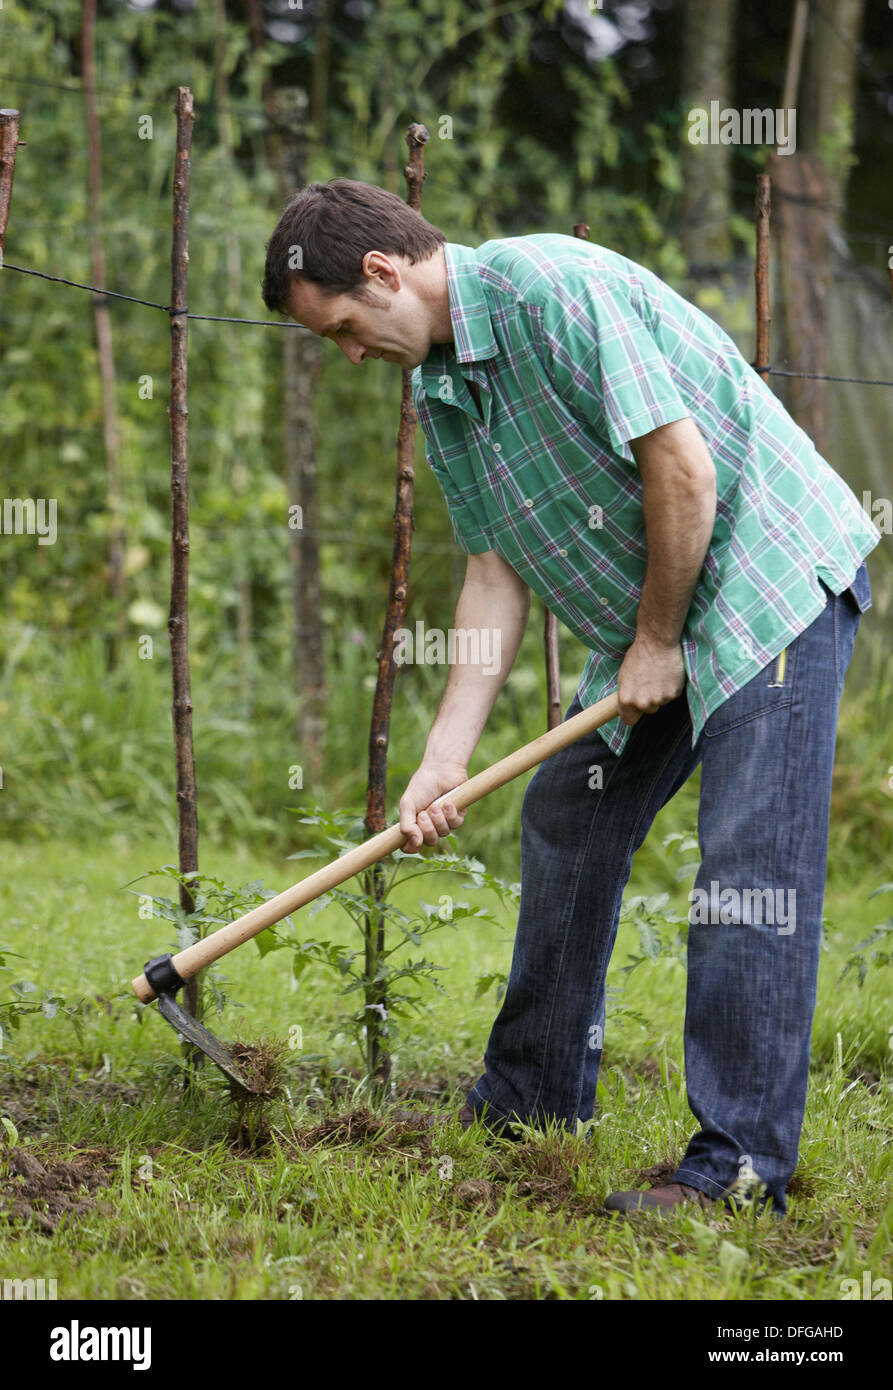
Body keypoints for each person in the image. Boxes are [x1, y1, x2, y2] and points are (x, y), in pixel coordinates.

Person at [262, 178, 881, 1217]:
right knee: (566, 810)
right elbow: (491, 574)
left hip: (766, 582)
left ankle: (733, 1171)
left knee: (744, 870)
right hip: (671, 607)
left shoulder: (551, 287)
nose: (351, 354)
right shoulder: (441, 385)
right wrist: (443, 757)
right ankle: (531, 1100)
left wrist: (649, 641)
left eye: (342, 329)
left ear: (382, 272)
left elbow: (679, 467)